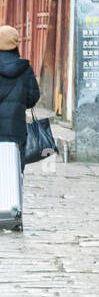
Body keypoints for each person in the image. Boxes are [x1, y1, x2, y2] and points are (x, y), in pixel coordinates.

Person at [0, 25, 40, 230]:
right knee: (15, 173)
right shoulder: (24, 68)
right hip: (15, 131)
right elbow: (33, 97)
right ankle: (13, 216)